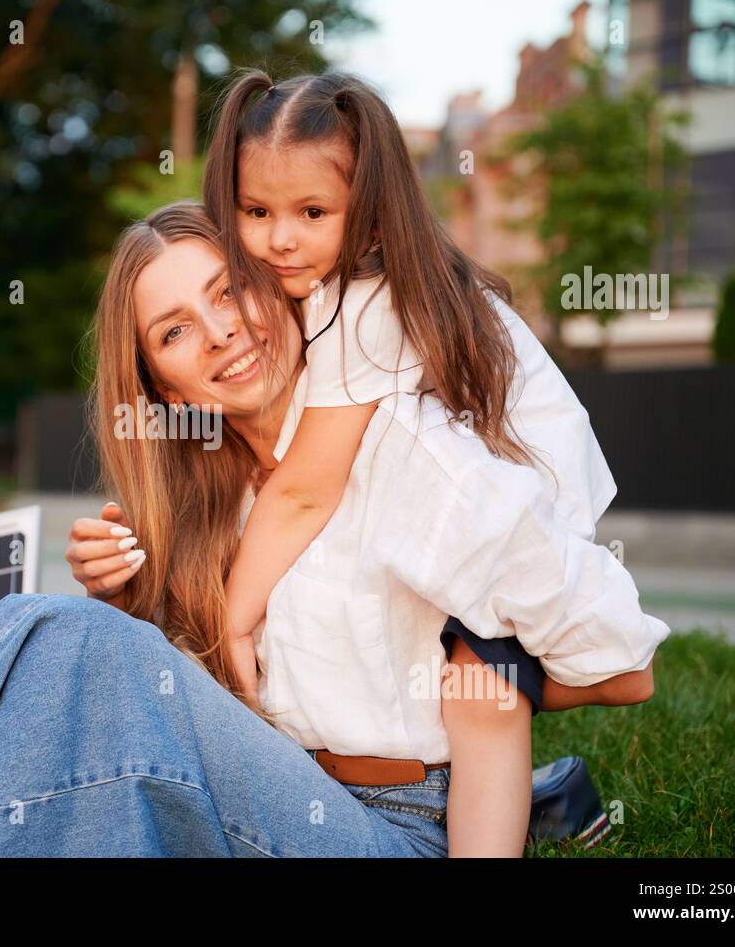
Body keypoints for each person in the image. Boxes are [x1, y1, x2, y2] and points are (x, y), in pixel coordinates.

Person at [0, 204, 664, 858]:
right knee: (41, 628)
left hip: (393, 829)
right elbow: (180, 723)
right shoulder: (209, 516)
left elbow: (627, 667)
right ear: (161, 388)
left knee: (49, 628)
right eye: (174, 330)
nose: (221, 331)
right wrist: (130, 609)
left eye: (229, 289)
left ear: (280, 286)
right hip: (264, 806)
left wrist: (491, 676)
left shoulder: (401, 446)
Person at [200, 70, 625, 855]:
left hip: (515, 519)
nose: (279, 237)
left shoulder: (366, 304)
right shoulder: (365, 284)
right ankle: (542, 798)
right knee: (456, 690)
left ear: (368, 218)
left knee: (481, 693)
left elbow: (305, 489)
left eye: (312, 212)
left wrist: (234, 615)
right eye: (255, 211)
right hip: (476, 509)